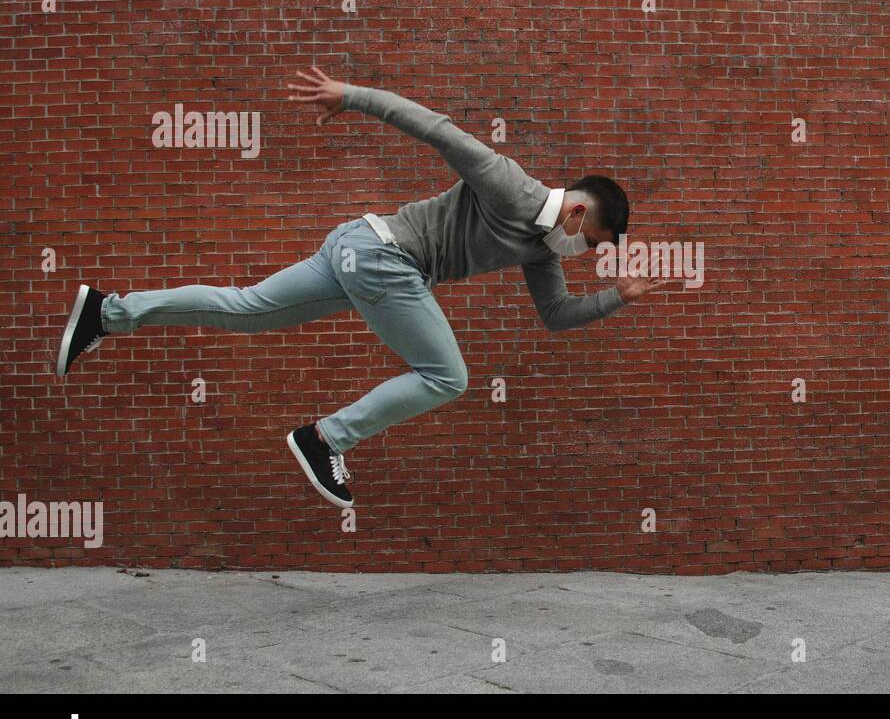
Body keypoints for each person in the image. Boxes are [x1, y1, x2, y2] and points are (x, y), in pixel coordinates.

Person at [56, 67, 672, 508]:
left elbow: (556, 315)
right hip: (382, 258)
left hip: (357, 247)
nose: (585, 253)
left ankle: (107, 314)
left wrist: (618, 297)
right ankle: (324, 437)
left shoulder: (542, 252)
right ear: (579, 215)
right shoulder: (509, 184)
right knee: (448, 376)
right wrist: (349, 95)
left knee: (246, 311)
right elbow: (435, 128)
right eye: (592, 242)